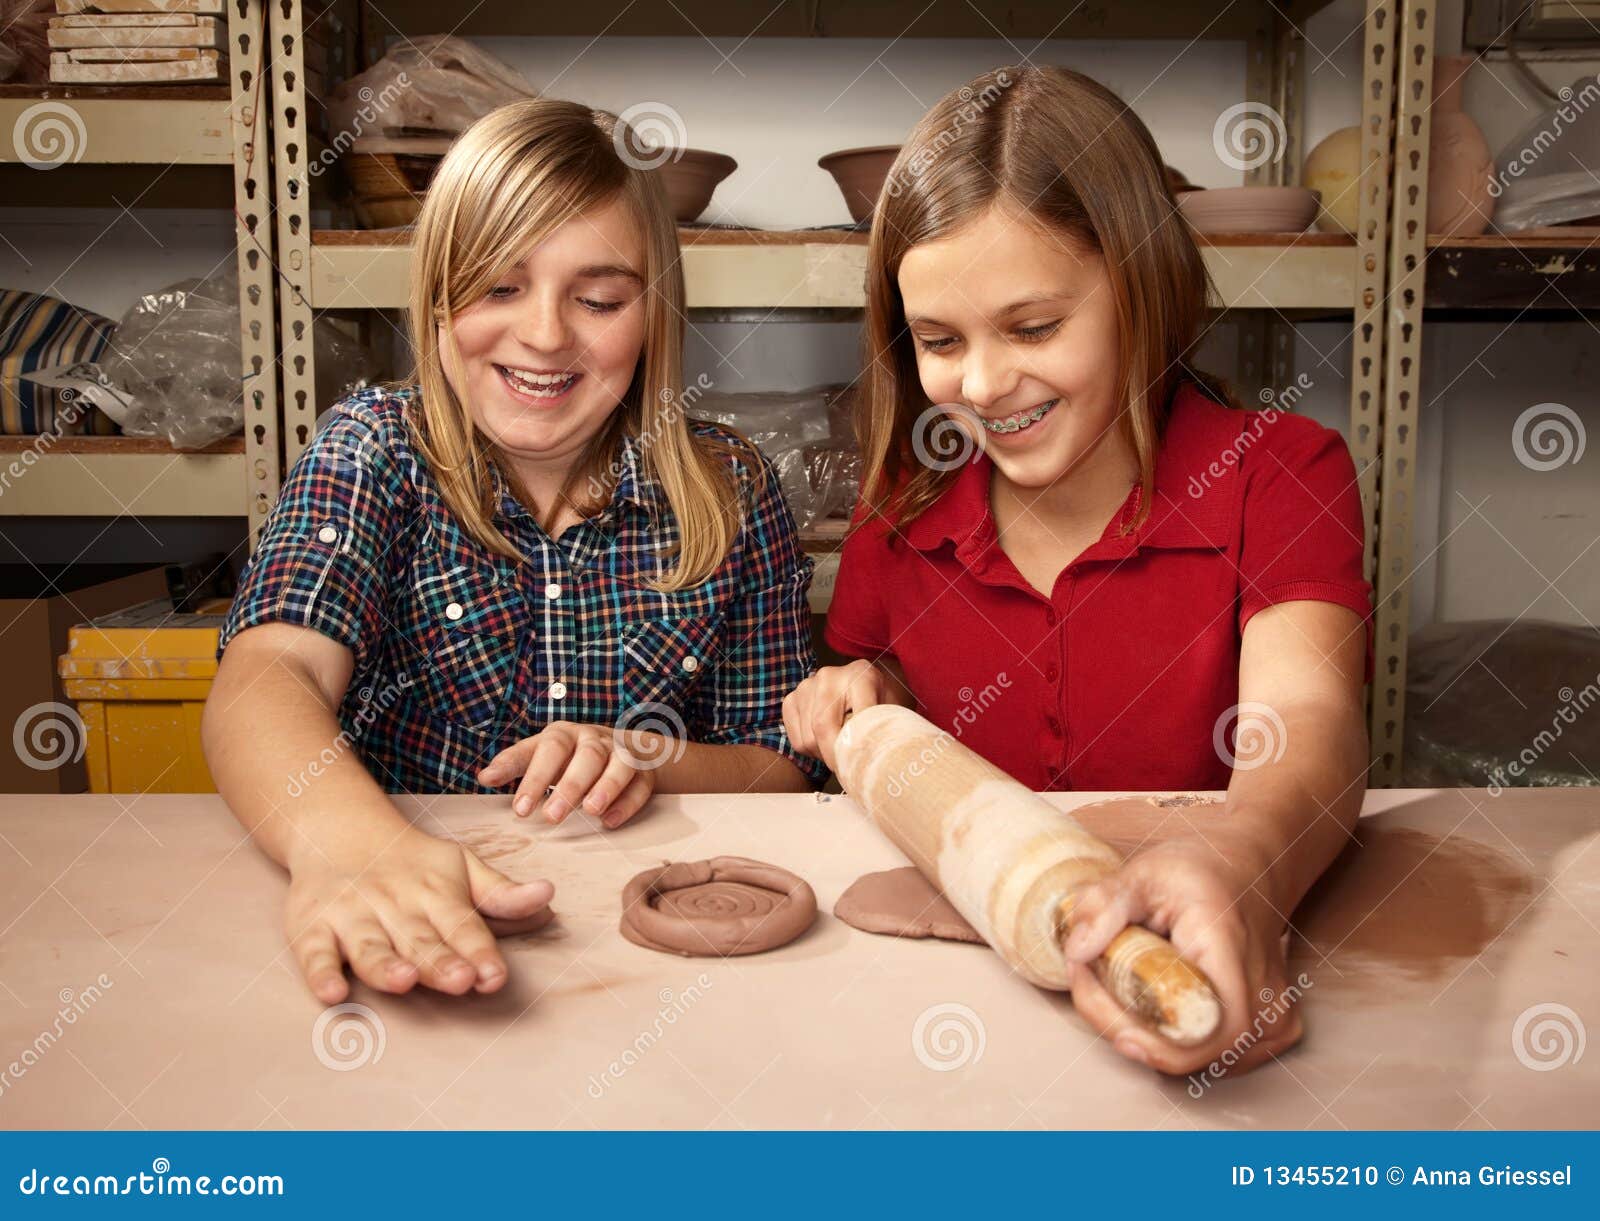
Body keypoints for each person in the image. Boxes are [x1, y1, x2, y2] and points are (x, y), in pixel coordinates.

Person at [784, 66, 1373, 1077]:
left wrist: (1241, 861)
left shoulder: (1278, 475)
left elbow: (1308, 726)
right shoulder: (904, 509)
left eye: (1032, 328)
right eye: (937, 340)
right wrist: (861, 695)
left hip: (1185, 949)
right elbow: (880, 703)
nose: (980, 384)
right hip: (952, 1034)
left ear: (1142, 287)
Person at [204, 99, 822, 1006]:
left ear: (653, 310)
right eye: (499, 287)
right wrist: (350, 848)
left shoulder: (728, 485)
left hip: (657, 965)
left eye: (600, 299)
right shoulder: (372, 452)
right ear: (439, 295)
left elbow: (780, 761)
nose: (544, 334)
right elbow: (268, 677)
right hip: (409, 913)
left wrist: (645, 758)